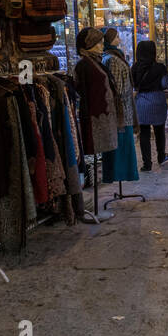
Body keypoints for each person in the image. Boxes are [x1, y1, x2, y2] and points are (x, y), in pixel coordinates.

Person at [72, 27, 117, 221]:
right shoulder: (84, 66)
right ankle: (94, 210)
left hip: (102, 116)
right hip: (93, 118)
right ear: (88, 45)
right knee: (95, 150)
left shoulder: (96, 63)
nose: (101, 45)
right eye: (97, 42)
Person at [101, 28, 139, 184]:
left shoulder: (111, 57)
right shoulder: (113, 60)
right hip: (122, 111)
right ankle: (120, 174)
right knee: (122, 148)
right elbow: (117, 88)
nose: (120, 40)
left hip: (123, 110)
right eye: (117, 37)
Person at [131, 39, 168, 170]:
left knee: (144, 133)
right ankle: (161, 156)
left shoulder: (135, 67)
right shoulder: (160, 67)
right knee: (159, 131)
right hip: (157, 100)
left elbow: (133, 85)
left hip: (142, 101)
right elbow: (165, 84)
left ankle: (147, 164)